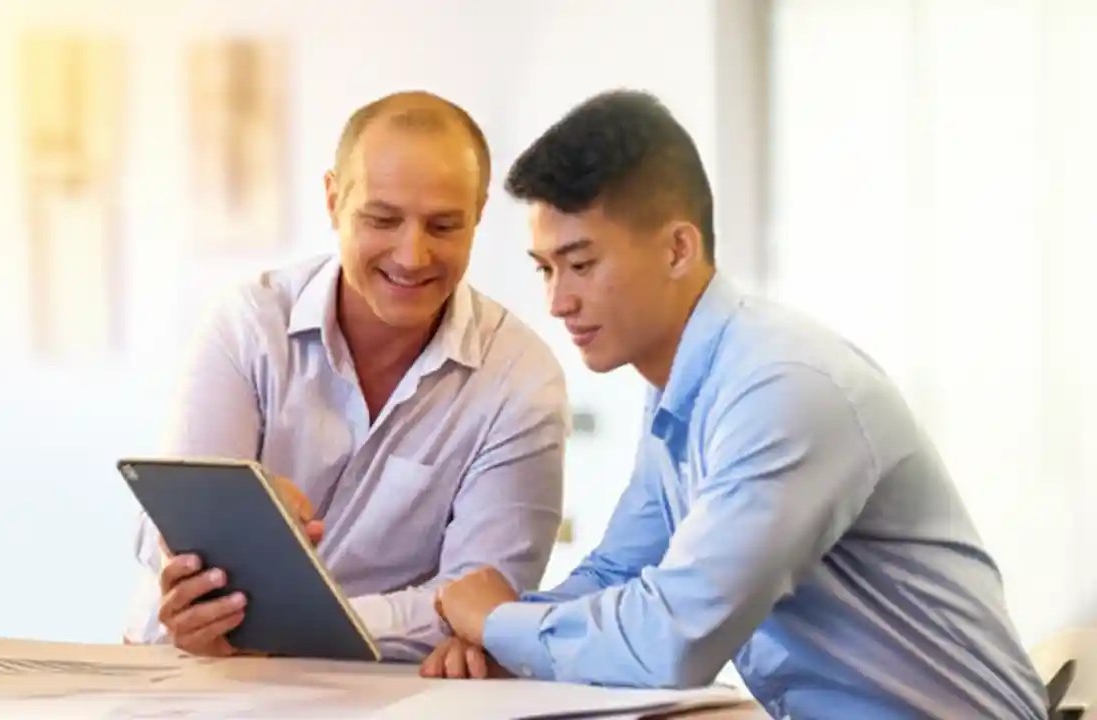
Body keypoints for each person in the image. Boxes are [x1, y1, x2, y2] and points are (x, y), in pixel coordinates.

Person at [425, 90, 1048, 719]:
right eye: (546, 270)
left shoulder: (781, 387)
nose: (558, 302)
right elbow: (620, 570)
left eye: (581, 264)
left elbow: (671, 641)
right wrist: (506, 640)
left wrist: (499, 623)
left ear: (678, 249)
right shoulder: (685, 383)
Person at [123, 91, 567, 662]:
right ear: (334, 200)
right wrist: (196, 559)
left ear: (479, 213)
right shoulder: (250, 324)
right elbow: (165, 521)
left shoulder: (520, 380)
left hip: (373, 690)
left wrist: (279, 622)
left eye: (443, 226)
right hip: (187, 668)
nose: (412, 255)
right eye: (382, 220)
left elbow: (483, 601)